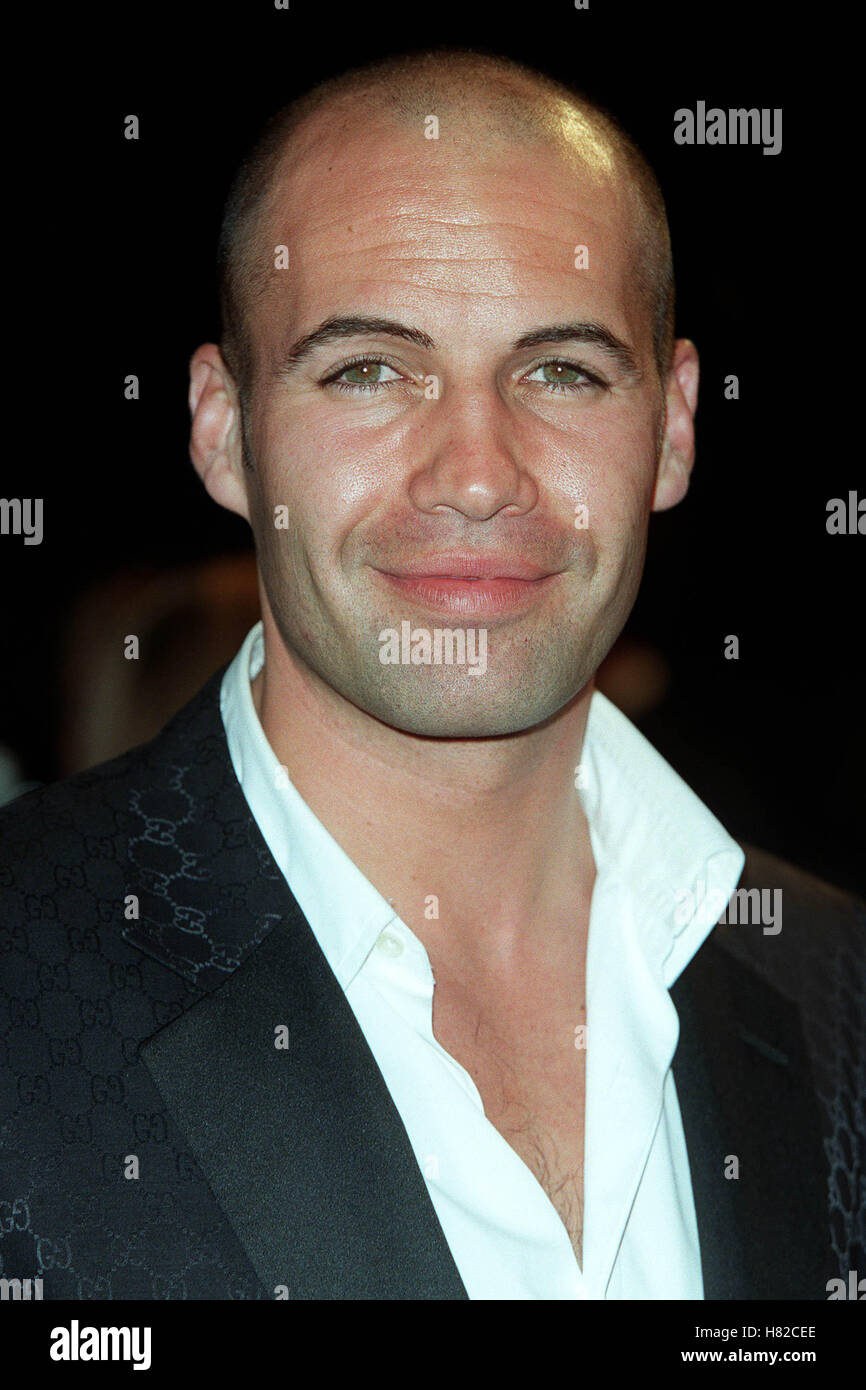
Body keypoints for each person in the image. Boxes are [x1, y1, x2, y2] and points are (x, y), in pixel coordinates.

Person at [0, 47, 862, 1302]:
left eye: (559, 369)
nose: (473, 471)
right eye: (369, 369)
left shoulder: (833, 989)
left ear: (671, 428)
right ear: (223, 428)